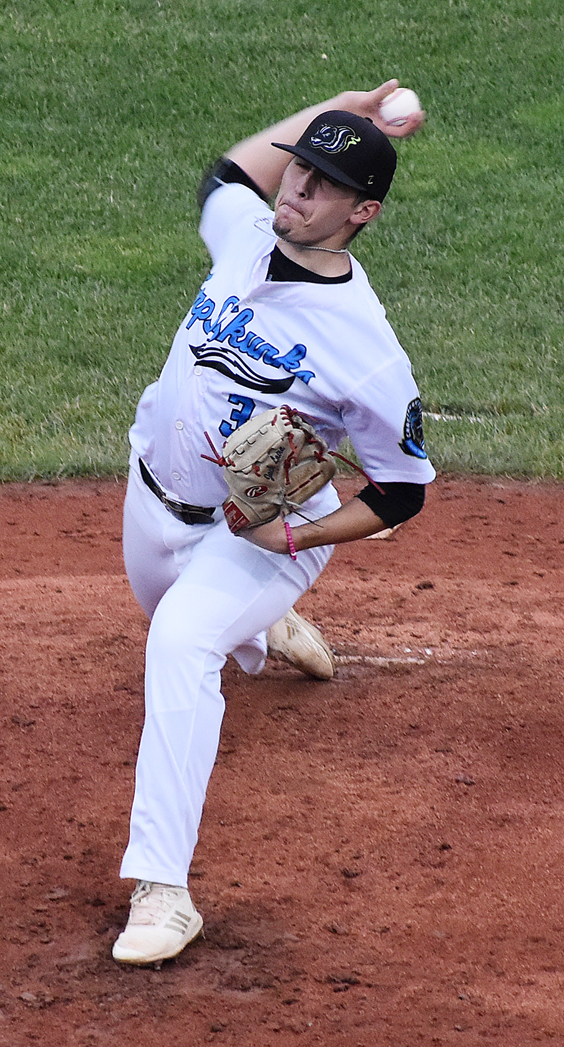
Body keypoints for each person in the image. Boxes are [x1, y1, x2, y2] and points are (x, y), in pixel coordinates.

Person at [112, 79, 435, 966]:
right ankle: (263, 628)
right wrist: (336, 107)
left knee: (180, 642)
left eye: (324, 185)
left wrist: (292, 540)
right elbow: (227, 174)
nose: (295, 191)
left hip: (263, 533)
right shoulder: (246, 236)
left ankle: (164, 890)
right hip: (153, 497)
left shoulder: (366, 350)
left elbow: (402, 490)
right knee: (168, 610)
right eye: (297, 173)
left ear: (363, 212)